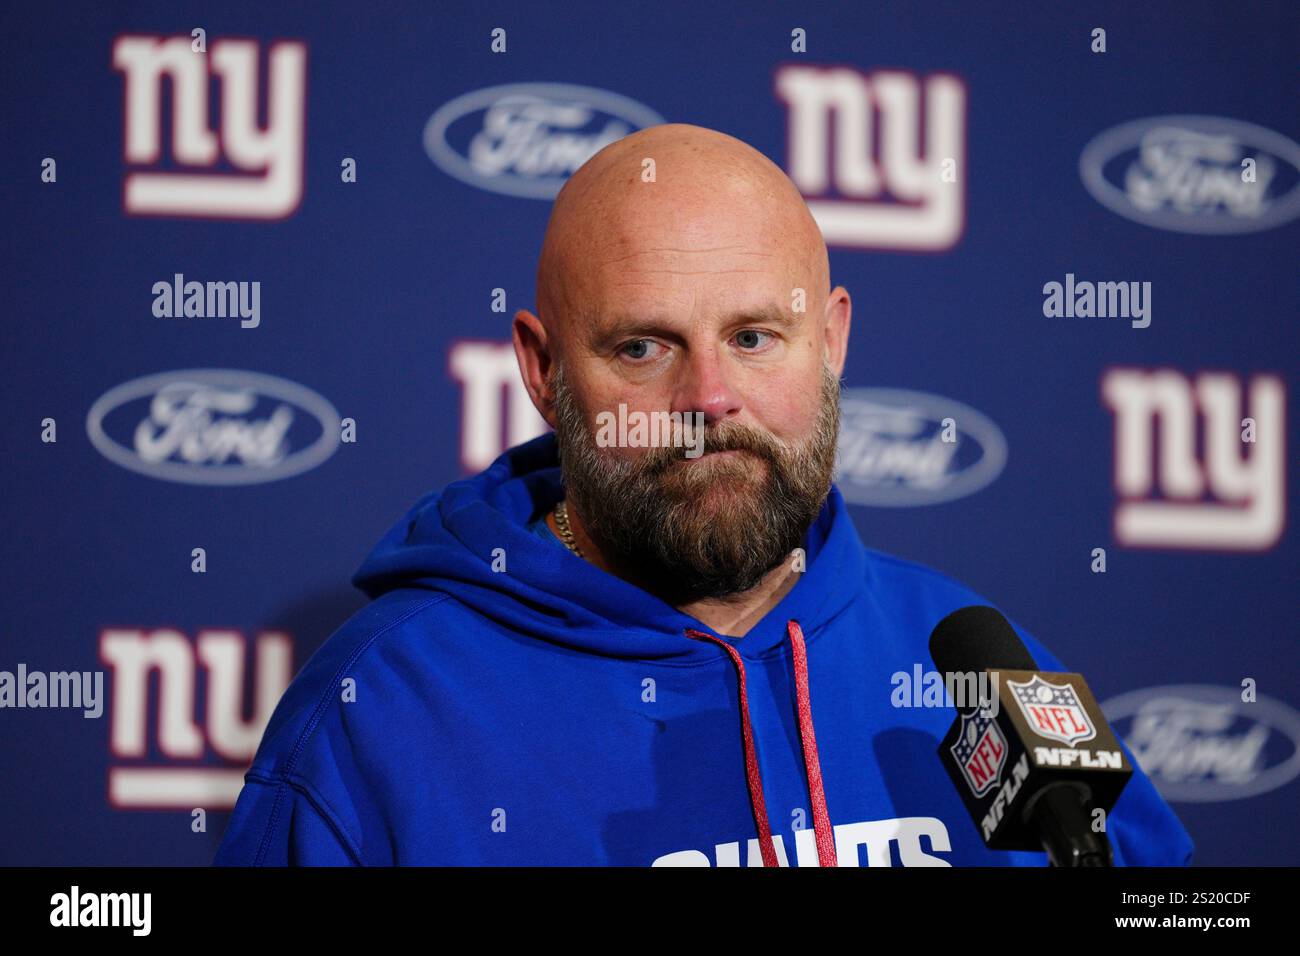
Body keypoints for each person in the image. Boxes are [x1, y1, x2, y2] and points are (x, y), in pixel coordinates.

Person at [214, 123, 1193, 866]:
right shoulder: (377, 712)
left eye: (755, 336)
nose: (709, 399)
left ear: (832, 341)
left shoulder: (977, 659)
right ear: (542, 368)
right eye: (642, 346)